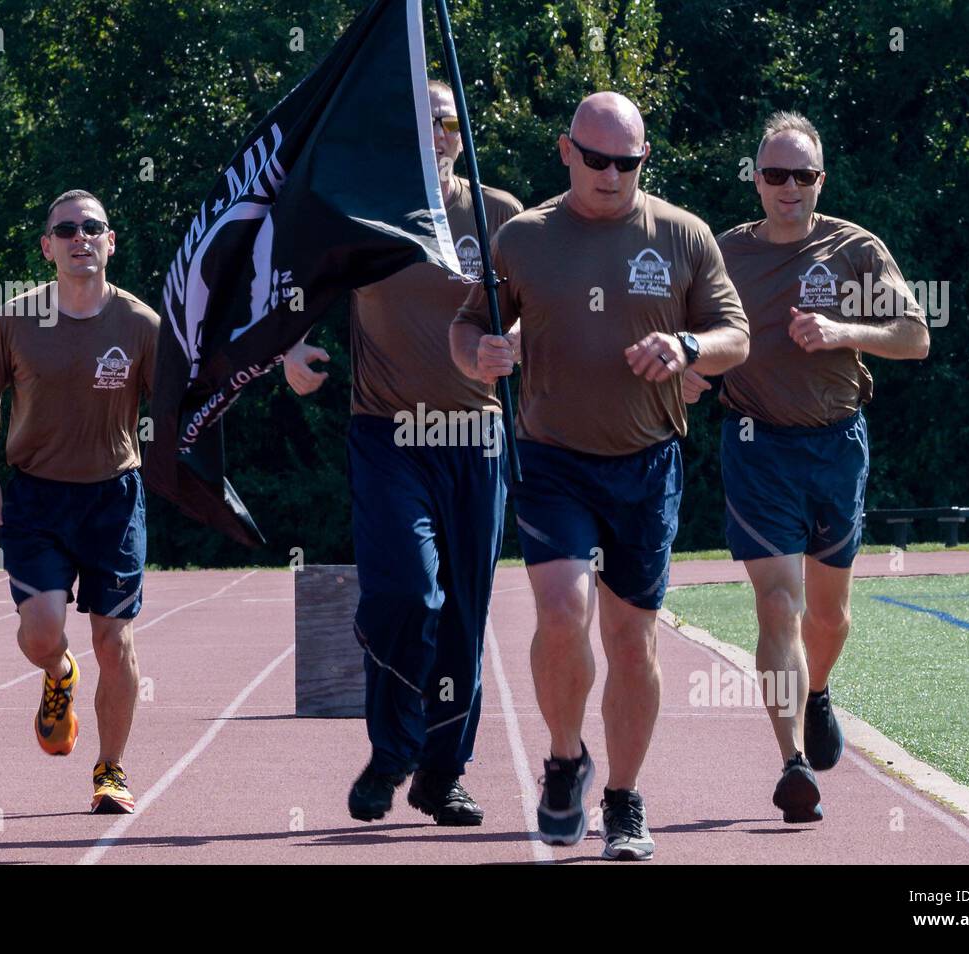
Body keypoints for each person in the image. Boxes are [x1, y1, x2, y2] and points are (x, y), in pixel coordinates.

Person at [451, 92, 749, 859]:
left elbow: (735, 336)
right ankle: (561, 758)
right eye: (597, 159)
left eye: (629, 161)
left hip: (647, 462)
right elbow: (468, 323)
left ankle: (623, 798)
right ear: (565, 151)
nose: (612, 174)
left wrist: (687, 348)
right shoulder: (524, 237)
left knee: (631, 639)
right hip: (552, 458)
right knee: (560, 614)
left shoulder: (682, 235)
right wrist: (477, 355)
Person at [286, 80, 522, 826]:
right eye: (422, 122)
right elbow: (294, 284)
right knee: (406, 595)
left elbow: (542, 311)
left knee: (464, 616)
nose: (439, 134)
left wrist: (517, 343)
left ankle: (441, 775)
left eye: (448, 121)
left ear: (462, 132)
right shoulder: (365, 209)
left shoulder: (501, 215)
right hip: (389, 433)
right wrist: (291, 347)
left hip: (476, 440)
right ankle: (393, 749)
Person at [684, 111, 929, 822]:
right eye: (774, 174)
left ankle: (817, 691)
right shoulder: (722, 253)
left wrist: (843, 332)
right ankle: (792, 761)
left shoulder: (855, 249)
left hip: (836, 444)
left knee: (830, 616)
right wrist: (689, 370)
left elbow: (914, 338)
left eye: (802, 175)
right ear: (755, 179)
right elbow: (689, 336)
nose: (788, 187)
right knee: (777, 605)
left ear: (821, 180)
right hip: (758, 447)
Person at [0, 189, 160, 815]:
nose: (81, 237)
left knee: (115, 640)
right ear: (48, 246)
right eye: (67, 229)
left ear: (111, 241)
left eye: (93, 227)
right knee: (42, 632)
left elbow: (182, 406)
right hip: (37, 498)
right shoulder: (16, 319)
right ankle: (57, 676)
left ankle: (111, 770)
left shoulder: (141, 324)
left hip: (113, 498)